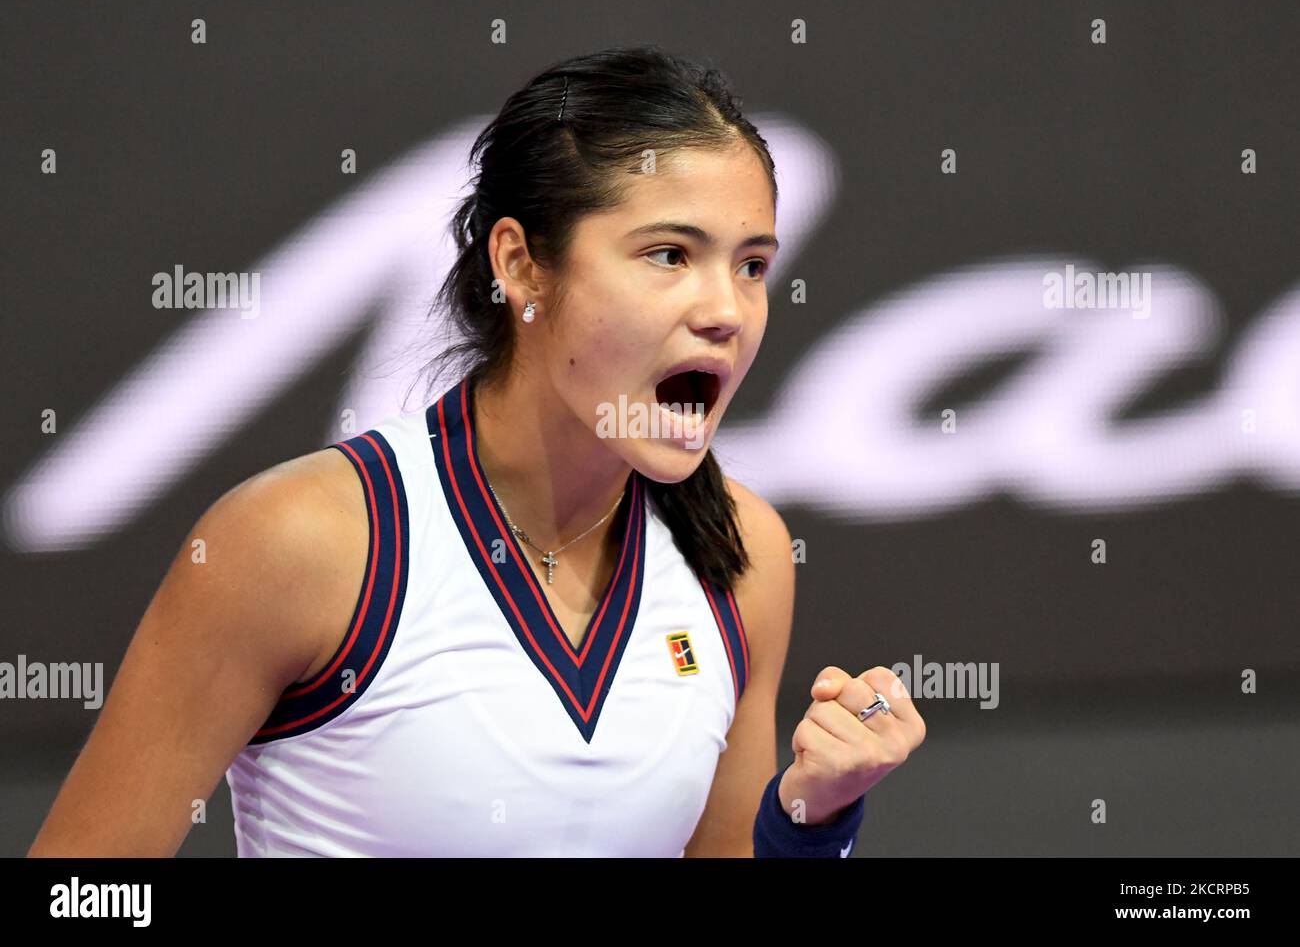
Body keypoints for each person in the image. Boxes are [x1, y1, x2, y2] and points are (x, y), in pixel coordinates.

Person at [28, 44, 924, 858]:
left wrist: (814, 815)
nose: (727, 310)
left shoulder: (743, 553)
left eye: (753, 264)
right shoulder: (298, 542)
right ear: (522, 265)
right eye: (667, 255)